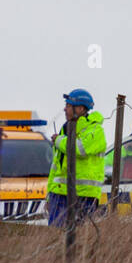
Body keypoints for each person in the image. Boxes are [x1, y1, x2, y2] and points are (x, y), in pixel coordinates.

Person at [46, 88, 106, 226]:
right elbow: (56, 165)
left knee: (80, 238)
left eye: (68, 106)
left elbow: (80, 149)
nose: (64, 109)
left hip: (84, 196)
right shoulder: (65, 129)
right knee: (56, 237)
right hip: (59, 194)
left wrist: (59, 140)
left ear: (79, 108)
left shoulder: (96, 130)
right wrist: (49, 195)